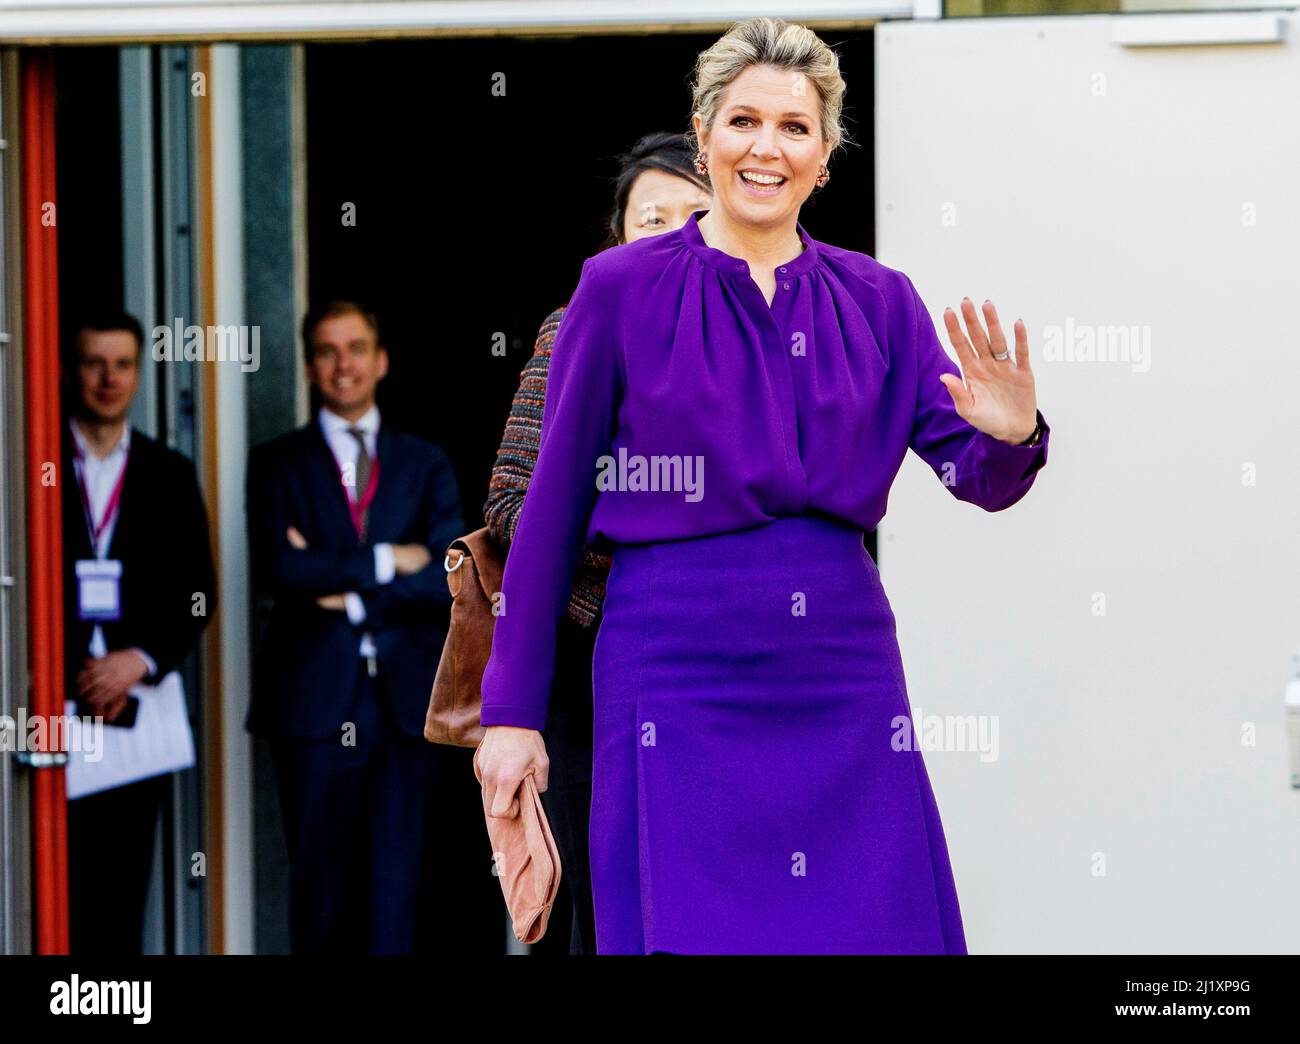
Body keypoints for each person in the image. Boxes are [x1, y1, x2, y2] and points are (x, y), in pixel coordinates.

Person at [474, 16, 1051, 955]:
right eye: (744, 121)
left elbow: (975, 476)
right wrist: (510, 714)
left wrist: (1015, 435)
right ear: (704, 139)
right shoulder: (615, 290)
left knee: (868, 926)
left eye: (794, 127)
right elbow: (548, 518)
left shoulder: (880, 300)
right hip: (671, 666)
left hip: (842, 667)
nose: (766, 148)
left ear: (826, 156)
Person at [482, 131, 712, 956]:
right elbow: (513, 502)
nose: (677, 233)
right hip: (594, 664)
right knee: (607, 904)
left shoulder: (761, 335)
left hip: (722, 663)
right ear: (618, 238)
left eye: (697, 213)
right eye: (654, 218)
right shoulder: (574, 326)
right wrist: (643, 516)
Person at [246, 300, 465, 953]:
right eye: (328, 351)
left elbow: (449, 574)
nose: (344, 364)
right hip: (313, 703)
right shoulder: (277, 462)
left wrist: (352, 594)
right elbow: (282, 570)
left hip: (406, 703)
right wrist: (383, 559)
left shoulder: (424, 461)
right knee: (320, 892)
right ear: (312, 366)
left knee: (397, 890)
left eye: (356, 348)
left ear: (381, 360)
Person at [61, 309, 216, 955]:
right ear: (74, 370)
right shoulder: (28, 464)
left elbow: (198, 593)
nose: (108, 379)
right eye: (95, 363)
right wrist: (62, 666)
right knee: (48, 884)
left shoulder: (167, 472)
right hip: (48, 705)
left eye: (122, 365)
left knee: (123, 891)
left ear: (138, 374)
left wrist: (140, 660)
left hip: (135, 709)